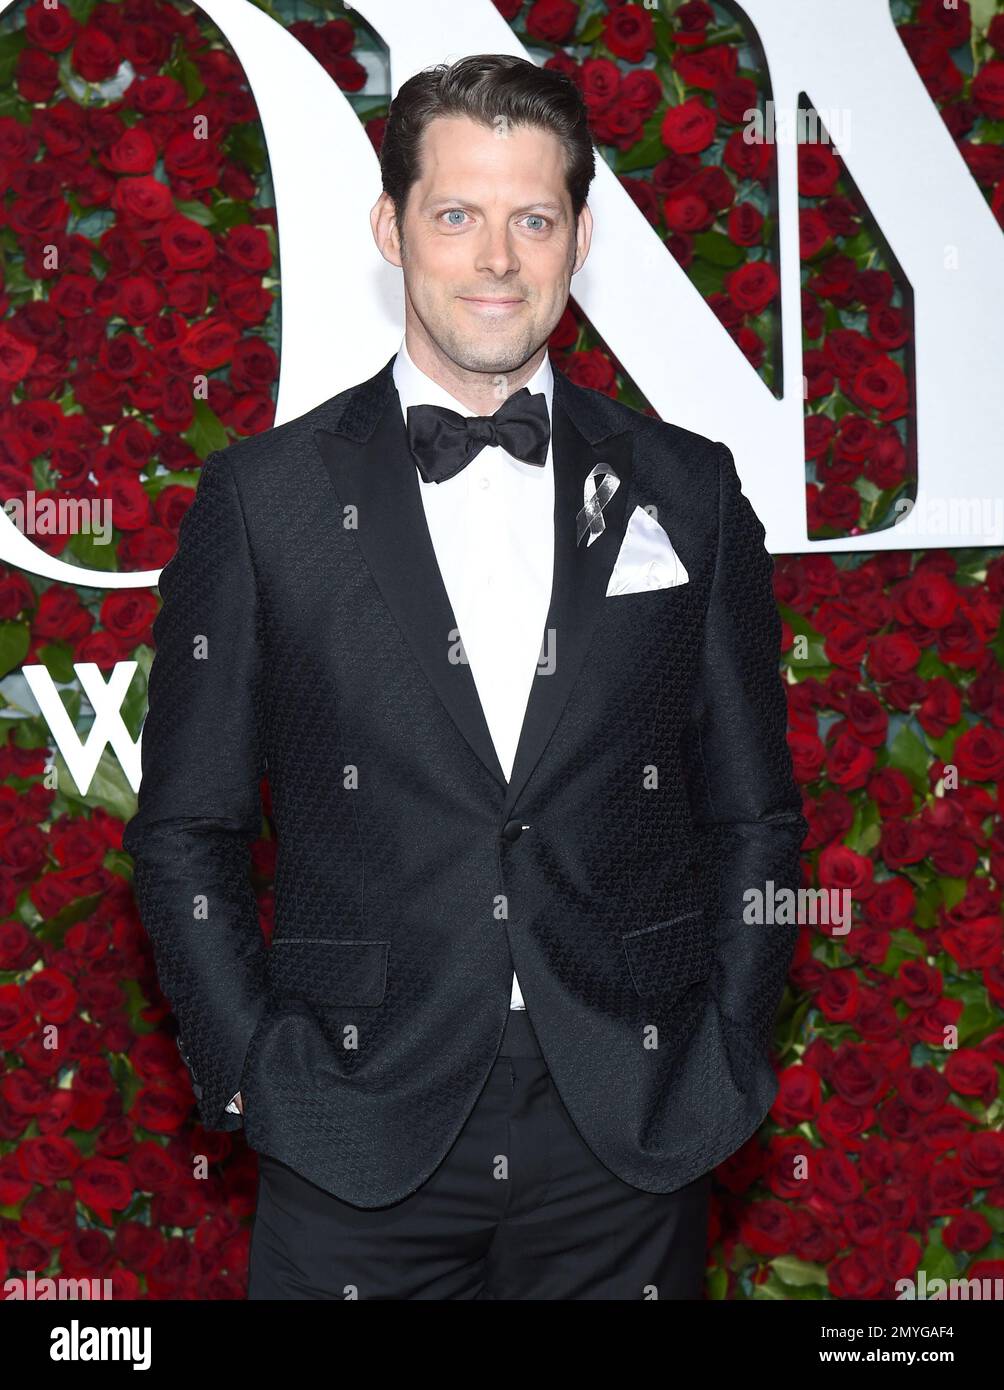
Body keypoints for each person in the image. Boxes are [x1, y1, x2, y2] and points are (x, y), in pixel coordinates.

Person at [122, 53, 808, 1300]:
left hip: (625, 1123)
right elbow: (184, 829)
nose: (496, 256)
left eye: (531, 218)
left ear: (577, 236)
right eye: (456, 214)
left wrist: (718, 1049)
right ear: (391, 228)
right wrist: (257, 1070)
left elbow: (754, 814)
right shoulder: (265, 500)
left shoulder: (688, 489)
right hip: (353, 1121)